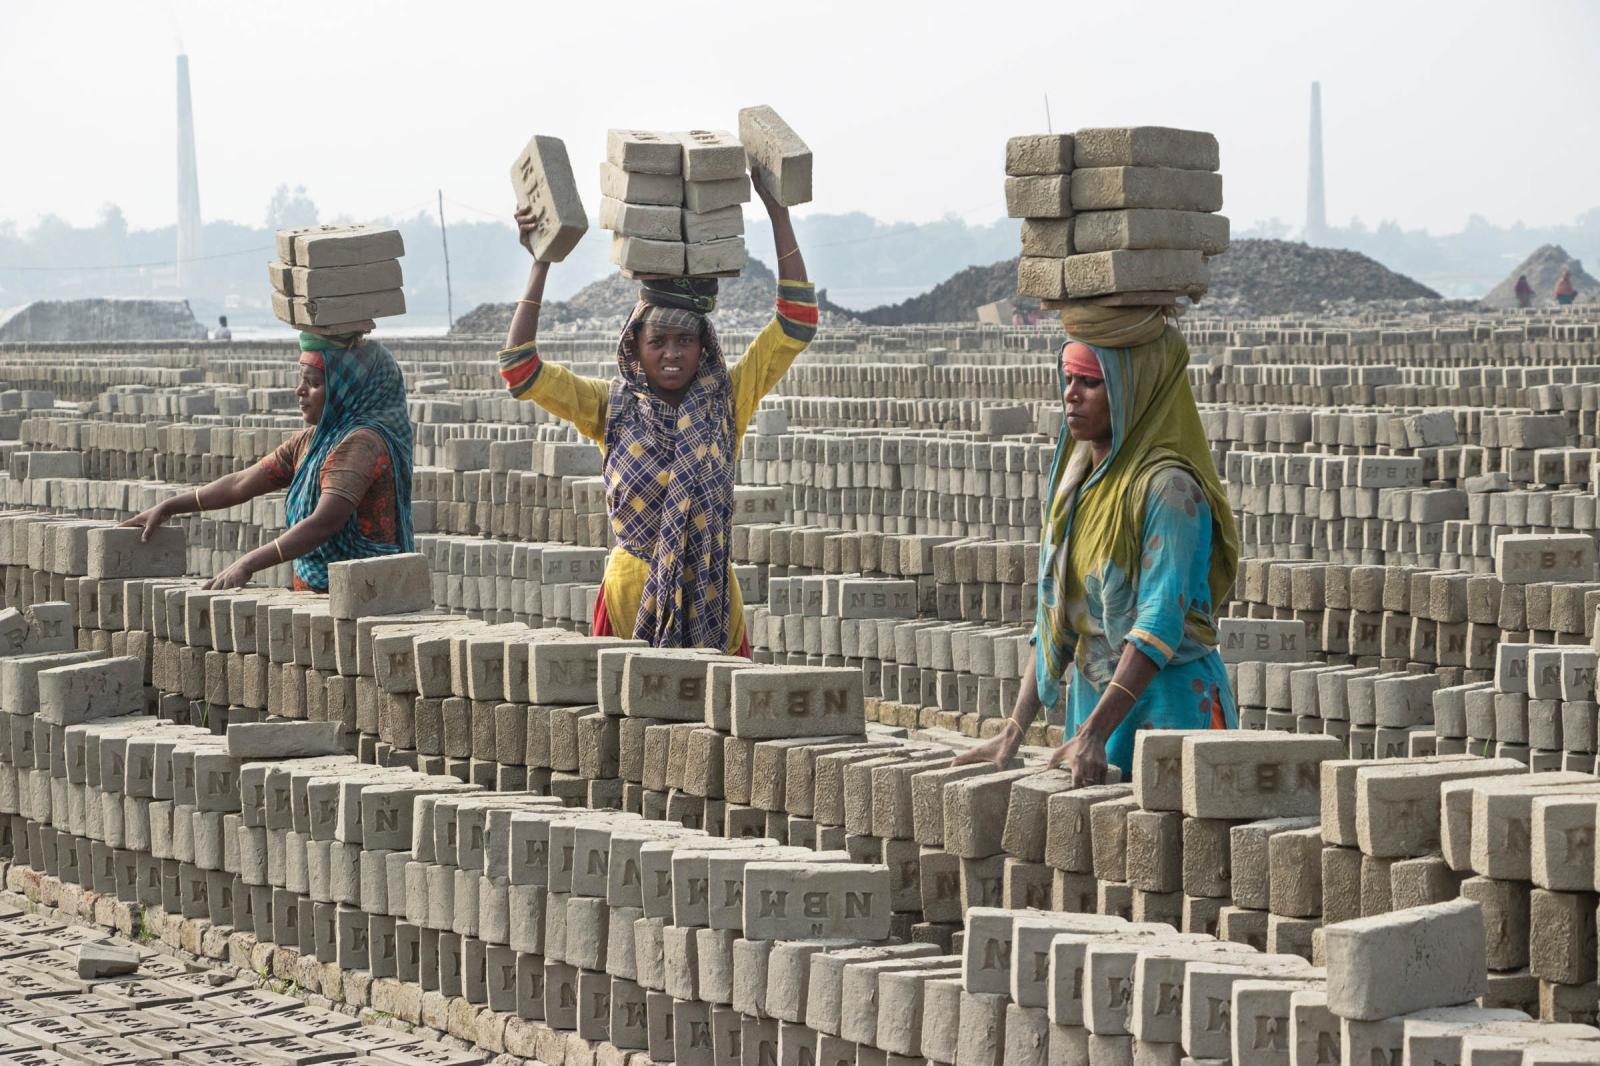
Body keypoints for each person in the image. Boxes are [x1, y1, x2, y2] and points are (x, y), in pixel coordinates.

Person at [497, 180, 817, 654]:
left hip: (712, 595)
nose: (671, 355)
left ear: (702, 346)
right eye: (658, 342)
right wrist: (540, 262)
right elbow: (521, 371)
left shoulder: (727, 400)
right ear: (635, 347)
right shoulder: (610, 406)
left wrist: (778, 215)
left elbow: (796, 324)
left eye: (684, 342)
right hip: (630, 596)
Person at [955, 306, 1239, 783]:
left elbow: (1159, 625)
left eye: (1090, 382)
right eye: (1068, 379)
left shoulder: (1170, 491)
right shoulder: (1076, 482)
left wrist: (1095, 732)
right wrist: (1013, 732)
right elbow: (1056, 619)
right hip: (1093, 710)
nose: (1071, 395)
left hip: (1168, 713)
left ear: (1135, 389)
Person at [122, 329, 415, 591]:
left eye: (313, 383)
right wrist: (170, 506)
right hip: (317, 593)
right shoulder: (311, 442)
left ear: (346, 391)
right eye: (302, 381)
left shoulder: (361, 444)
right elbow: (241, 483)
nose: (300, 391)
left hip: (367, 593)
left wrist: (248, 563)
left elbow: (324, 523)